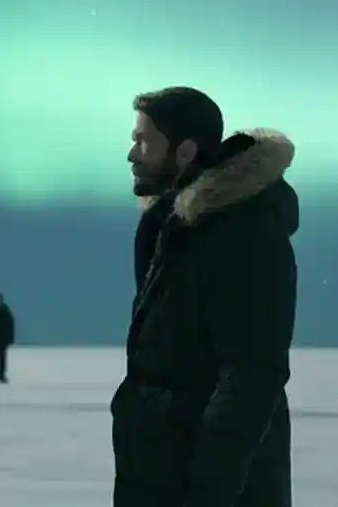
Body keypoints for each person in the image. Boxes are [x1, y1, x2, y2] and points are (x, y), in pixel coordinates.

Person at [112, 87, 299, 507]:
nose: (131, 154)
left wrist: (211, 487)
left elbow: (252, 373)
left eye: (143, 141)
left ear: (185, 151)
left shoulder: (244, 233)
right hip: (162, 476)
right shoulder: (173, 229)